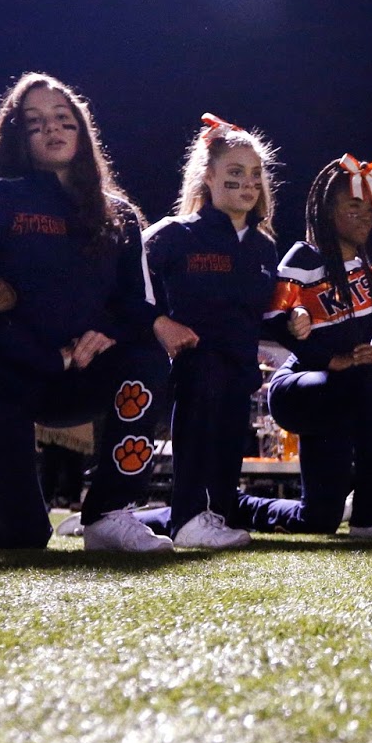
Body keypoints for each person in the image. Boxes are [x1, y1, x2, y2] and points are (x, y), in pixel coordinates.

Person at [0, 72, 190, 552]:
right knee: (26, 537)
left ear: (81, 129)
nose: (51, 130)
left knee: (146, 360)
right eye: (35, 124)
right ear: (20, 137)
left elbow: (140, 304)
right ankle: (0, 518)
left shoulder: (119, 214)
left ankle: (108, 515)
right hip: (2, 380)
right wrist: (44, 355)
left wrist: (105, 331)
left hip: (79, 377)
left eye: (62, 119)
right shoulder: (1, 194)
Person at [242, 155, 372, 540]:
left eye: (369, 209)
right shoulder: (304, 258)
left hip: (343, 396)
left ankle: (231, 504)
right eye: (353, 206)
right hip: (301, 387)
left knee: (318, 519)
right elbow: (272, 318)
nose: (365, 216)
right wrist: (322, 349)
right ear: (327, 210)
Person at [130, 113, 280, 549]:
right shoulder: (174, 235)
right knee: (209, 380)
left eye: (255, 174)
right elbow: (123, 285)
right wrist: (159, 323)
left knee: (232, 436)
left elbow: (264, 314)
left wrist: (295, 321)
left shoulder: (264, 247)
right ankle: (189, 517)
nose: (248, 184)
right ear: (208, 176)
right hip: (188, 373)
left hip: (240, 374)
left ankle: (198, 515)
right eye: (235, 172)